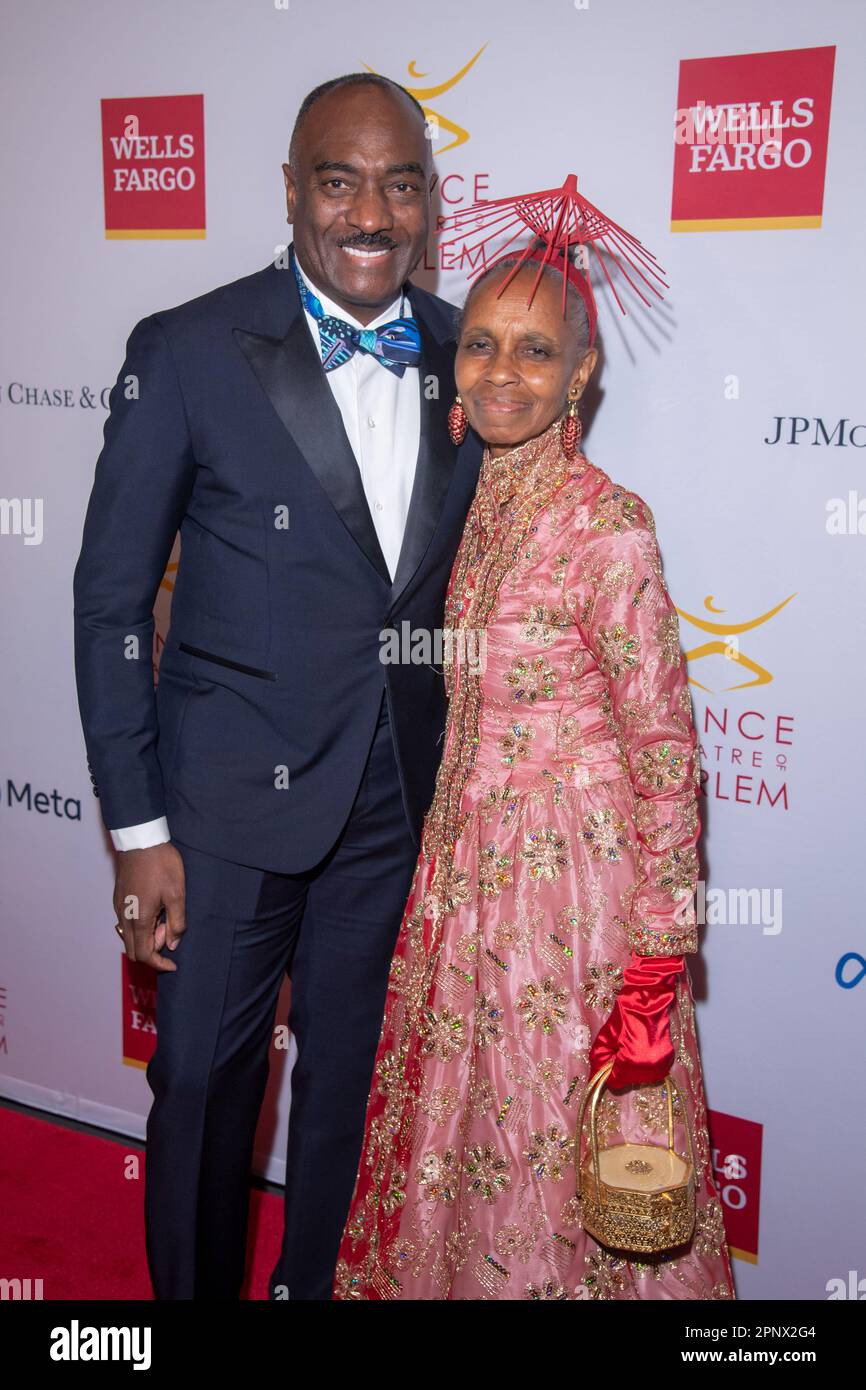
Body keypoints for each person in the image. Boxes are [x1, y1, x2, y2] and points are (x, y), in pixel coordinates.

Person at [72, 73, 483, 1300]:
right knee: (204, 1087)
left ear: (428, 201)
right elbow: (109, 605)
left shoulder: (464, 354)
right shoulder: (186, 350)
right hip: (222, 811)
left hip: (390, 805)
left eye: (399, 184)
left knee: (354, 1090)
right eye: (340, 181)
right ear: (293, 190)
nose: (372, 213)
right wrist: (136, 832)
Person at [332, 225, 737, 1299]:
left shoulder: (609, 525)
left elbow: (664, 748)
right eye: (480, 344)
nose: (501, 372)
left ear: (581, 372)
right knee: (466, 1149)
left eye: (535, 349)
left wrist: (656, 959)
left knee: (553, 1147)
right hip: (461, 877)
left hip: (573, 899)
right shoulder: (465, 506)